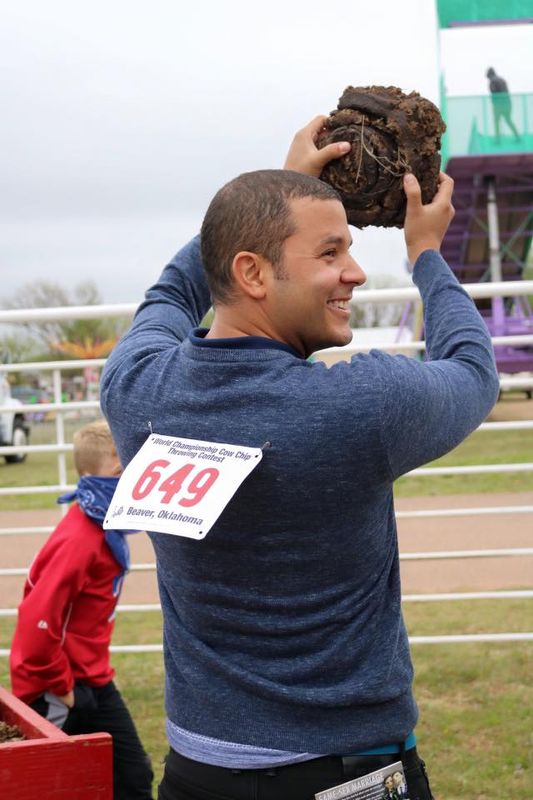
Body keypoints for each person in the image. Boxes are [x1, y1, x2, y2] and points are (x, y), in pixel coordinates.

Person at [100, 116, 499, 800]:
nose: (354, 272)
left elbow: (172, 294)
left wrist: (266, 202)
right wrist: (426, 253)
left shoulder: (135, 387)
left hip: (197, 776)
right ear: (251, 272)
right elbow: (471, 367)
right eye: (329, 253)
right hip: (345, 773)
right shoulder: (363, 404)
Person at [10, 419, 153, 800]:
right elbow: (36, 623)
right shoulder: (80, 539)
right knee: (54, 785)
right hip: (60, 686)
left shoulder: (102, 528)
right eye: (123, 470)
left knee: (133, 778)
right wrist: (64, 689)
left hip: (91, 678)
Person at [486, 67, 520, 141]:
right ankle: (517, 136)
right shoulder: (502, 80)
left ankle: (497, 139)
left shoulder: (492, 82)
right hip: (507, 103)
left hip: (498, 105)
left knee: (496, 121)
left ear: (489, 75)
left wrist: (494, 102)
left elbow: (494, 94)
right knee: (508, 120)